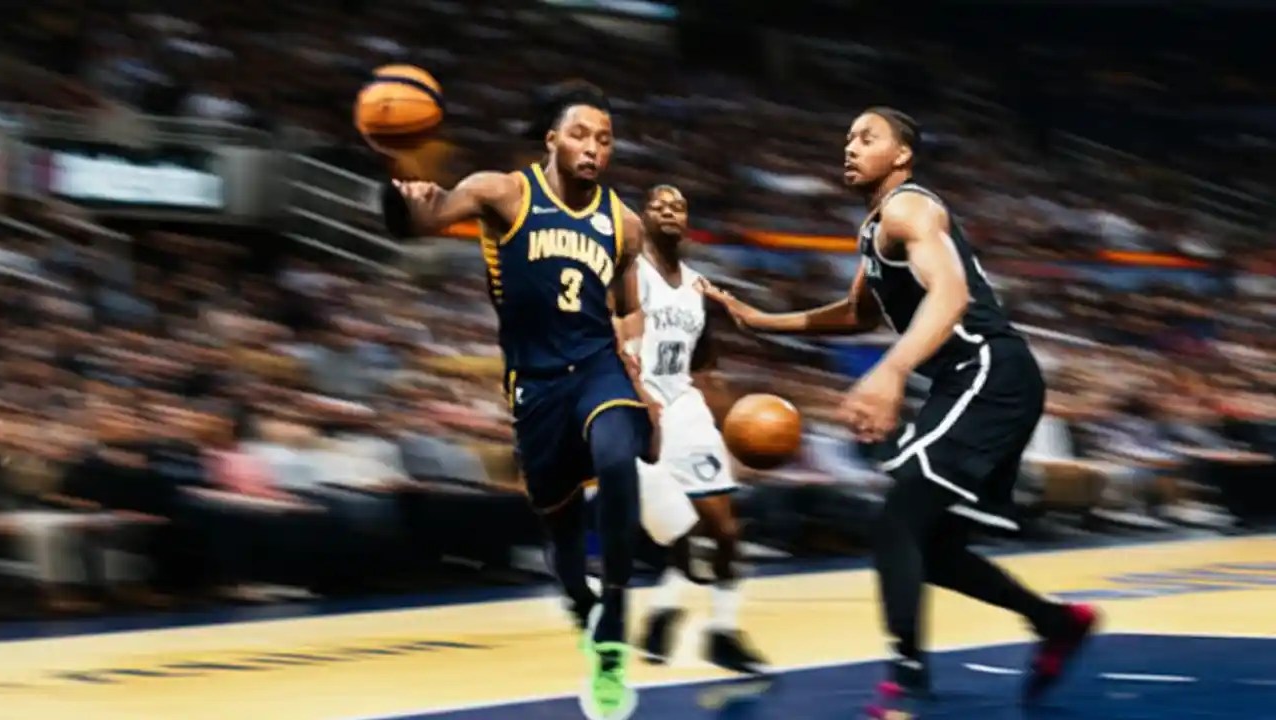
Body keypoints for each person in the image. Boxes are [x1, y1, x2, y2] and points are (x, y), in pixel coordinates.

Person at [699, 107, 1098, 717]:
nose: (850, 146)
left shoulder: (908, 208)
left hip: (988, 371)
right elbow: (858, 313)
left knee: (896, 524)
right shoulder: (875, 228)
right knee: (931, 547)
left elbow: (951, 293)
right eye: (848, 137)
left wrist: (890, 371)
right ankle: (1056, 622)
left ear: (902, 155)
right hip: (977, 380)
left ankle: (907, 682)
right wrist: (762, 321)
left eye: (867, 137)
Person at [381, 80, 656, 720]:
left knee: (618, 461)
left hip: (598, 368)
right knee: (561, 531)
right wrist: (403, 193)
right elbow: (421, 222)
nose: (594, 147)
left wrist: (637, 366)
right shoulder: (501, 192)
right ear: (552, 139)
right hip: (536, 384)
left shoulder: (625, 224)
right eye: (581, 134)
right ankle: (582, 605)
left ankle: (615, 619)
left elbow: (630, 309)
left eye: (605, 138)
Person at [629, 185, 768, 674]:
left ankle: (722, 634)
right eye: (659, 205)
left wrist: (731, 430)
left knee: (725, 530)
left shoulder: (697, 287)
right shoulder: (628, 276)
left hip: (685, 411)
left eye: (678, 206)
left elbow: (706, 367)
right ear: (643, 219)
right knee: (681, 532)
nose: (669, 211)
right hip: (637, 411)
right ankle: (664, 611)